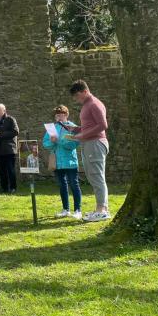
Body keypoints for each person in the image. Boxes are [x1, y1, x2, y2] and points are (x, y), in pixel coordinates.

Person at [66, 80, 110, 222]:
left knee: (97, 176)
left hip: (95, 143)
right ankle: (101, 208)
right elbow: (91, 125)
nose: (76, 100)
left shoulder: (94, 104)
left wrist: (82, 135)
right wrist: (76, 129)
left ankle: (101, 210)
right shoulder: (87, 105)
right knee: (93, 176)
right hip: (89, 143)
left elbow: (103, 125)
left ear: (85, 91)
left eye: (77, 96)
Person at [42, 105, 82, 219]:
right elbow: (45, 143)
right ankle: (66, 209)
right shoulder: (52, 128)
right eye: (57, 115)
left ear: (66, 115)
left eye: (61, 115)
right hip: (57, 162)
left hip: (70, 161)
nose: (59, 117)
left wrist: (59, 141)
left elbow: (74, 144)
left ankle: (78, 210)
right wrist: (52, 142)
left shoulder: (72, 127)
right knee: (62, 185)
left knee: (74, 184)